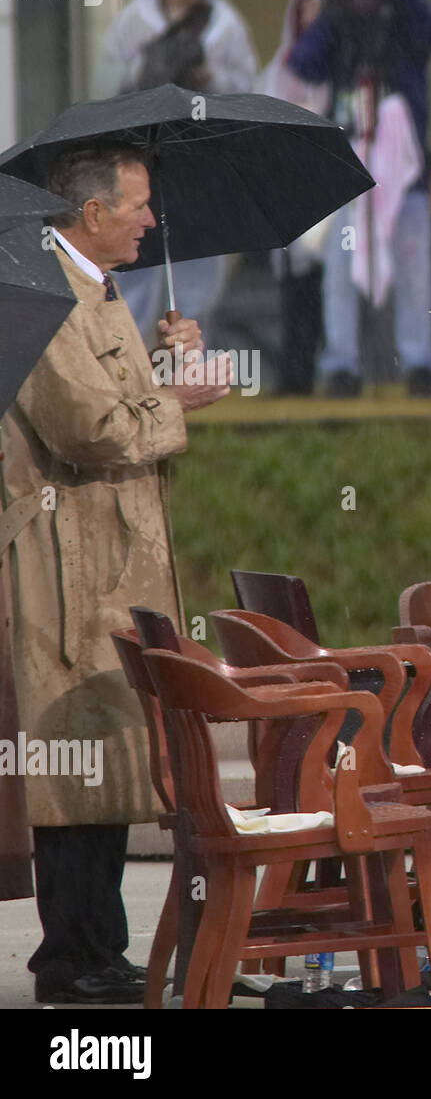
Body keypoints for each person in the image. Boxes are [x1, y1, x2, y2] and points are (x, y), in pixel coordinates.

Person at [0, 144, 227, 1003]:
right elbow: (88, 426)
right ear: (90, 213)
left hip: (113, 556)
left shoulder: (97, 287)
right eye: (136, 204)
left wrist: (169, 365)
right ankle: (70, 957)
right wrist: (183, 401)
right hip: (65, 561)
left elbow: (128, 406)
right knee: (73, 761)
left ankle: (100, 947)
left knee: (115, 754)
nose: (150, 219)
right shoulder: (42, 291)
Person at [289, 0, 431, 397]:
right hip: (350, 165)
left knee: (413, 267)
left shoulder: (406, 13)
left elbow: (430, 30)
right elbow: (304, 62)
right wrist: (334, 14)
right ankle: (342, 364)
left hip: (406, 167)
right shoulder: (337, 14)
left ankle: (419, 362)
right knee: (340, 267)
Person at [94, 0, 259, 342]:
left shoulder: (224, 22)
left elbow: (247, 88)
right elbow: (105, 83)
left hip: (200, 155)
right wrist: (149, 68)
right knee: (133, 256)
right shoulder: (135, 19)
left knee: (197, 260)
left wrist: (209, 77)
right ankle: (129, 352)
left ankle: (189, 355)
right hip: (140, 153)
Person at [258, 0, 331, 395]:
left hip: (330, 200)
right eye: (303, 7)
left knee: (323, 286)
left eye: (316, 7)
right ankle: (294, 373)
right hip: (289, 194)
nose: (309, 16)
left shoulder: (335, 70)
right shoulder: (278, 71)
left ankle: (329, 370)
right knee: (293, 288)